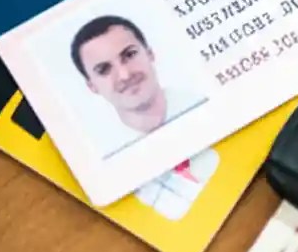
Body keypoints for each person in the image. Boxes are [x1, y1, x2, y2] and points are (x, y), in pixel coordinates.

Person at [70, 15, 215, 219]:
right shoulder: (102, 162)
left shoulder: (208, 103)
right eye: (103, 69)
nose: (124, 75)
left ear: (150, 53)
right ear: (92, 86)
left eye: (129, 55)